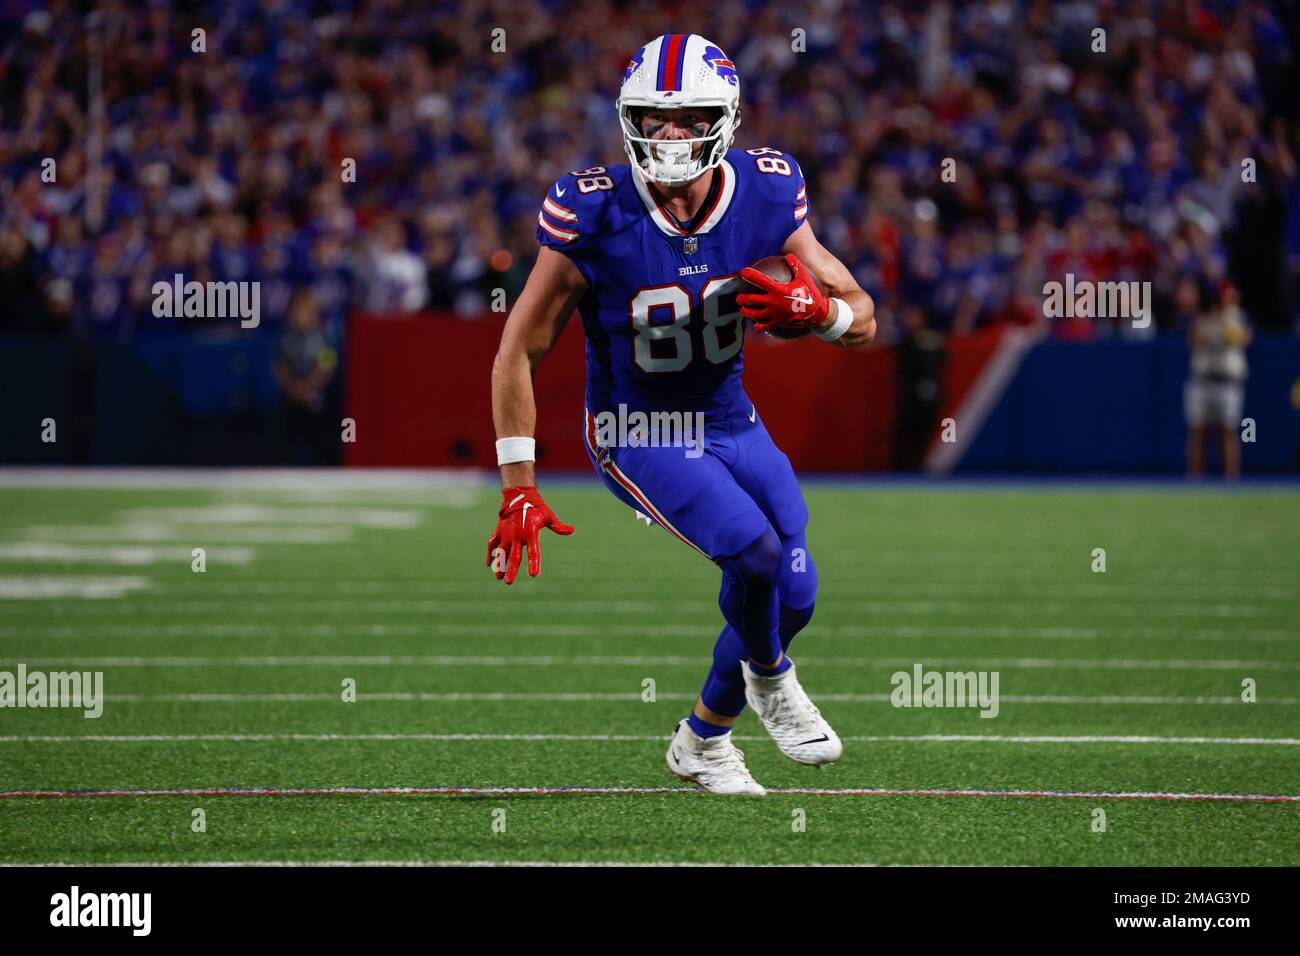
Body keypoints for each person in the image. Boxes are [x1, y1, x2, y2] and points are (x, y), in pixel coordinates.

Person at [486, 35, 876, 794]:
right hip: (639, 429)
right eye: (653, 118)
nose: (669, 136)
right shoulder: (591, 209)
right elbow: (516, 350)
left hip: (731, 418)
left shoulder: (766, 192)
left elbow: (864, 317)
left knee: (796, 589)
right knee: (755, 557)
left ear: (723, 118)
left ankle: (702, 739)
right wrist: (517, 482)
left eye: (688, 116)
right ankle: (771, 677)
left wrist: (819, 311)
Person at [1185, 281, 1251, 478]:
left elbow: (1243, 340)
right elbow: (1194, 343)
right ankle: (1194, 479)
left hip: (1228, 380)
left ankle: (1232, 480)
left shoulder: (1237, 317)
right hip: (1202, 379)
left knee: (1228, 431)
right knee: (1198, 431)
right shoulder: (1203, 318)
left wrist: (1225, 323)